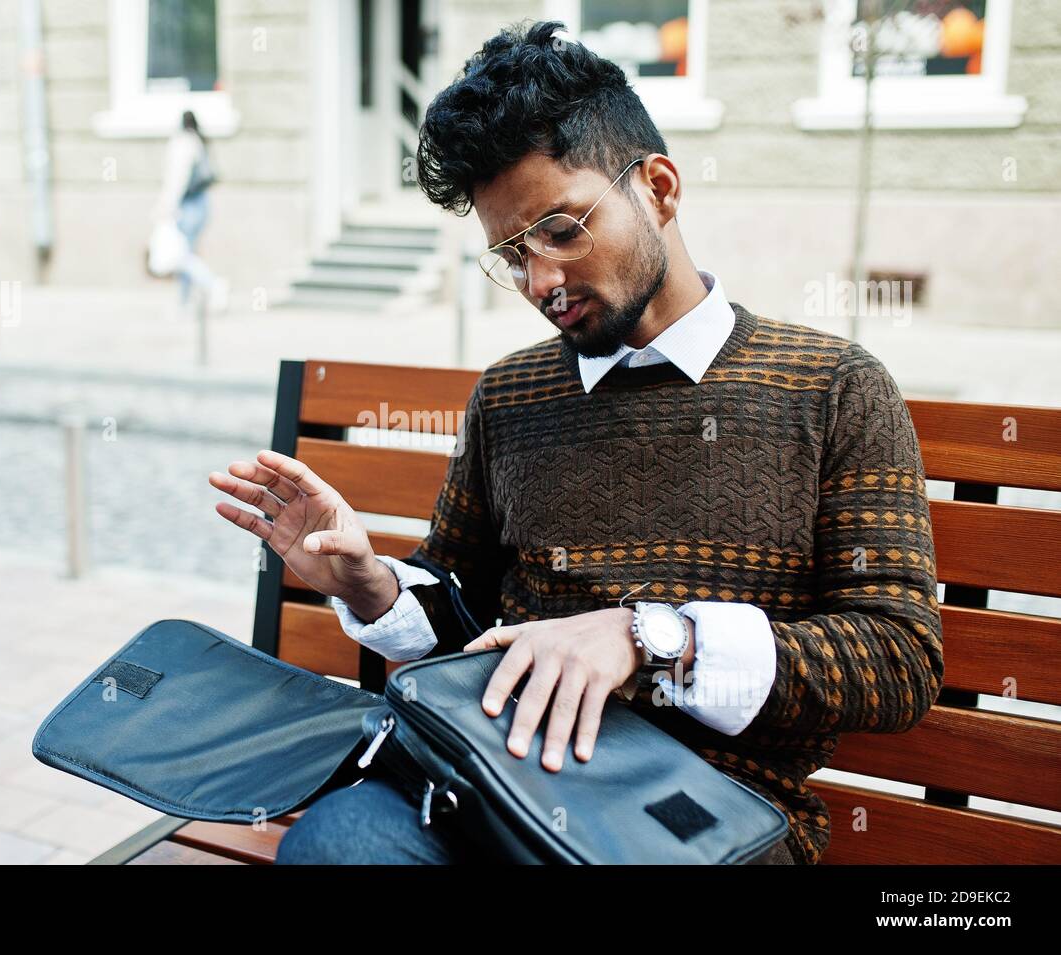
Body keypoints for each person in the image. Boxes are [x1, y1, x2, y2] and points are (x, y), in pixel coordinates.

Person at [208, 20, 942, 865]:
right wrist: (373, 586)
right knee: (341, 843)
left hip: (703, 817)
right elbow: (460, 605)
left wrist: (651, 639)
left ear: (659, 188)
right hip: (498, 782)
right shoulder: (510, 394)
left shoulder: (834, 388)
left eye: (561, 229)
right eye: (512, 255)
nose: (542, 282)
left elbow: (899, 656)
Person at [153, 110, 222, 307]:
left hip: (187, 206)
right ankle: (185, 300)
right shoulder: (199, 142)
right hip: (200, 203)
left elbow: (177, 181)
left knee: (182, 256)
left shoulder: (183, 144)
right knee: (185, 253)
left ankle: (212, 285)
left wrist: (166, 207)